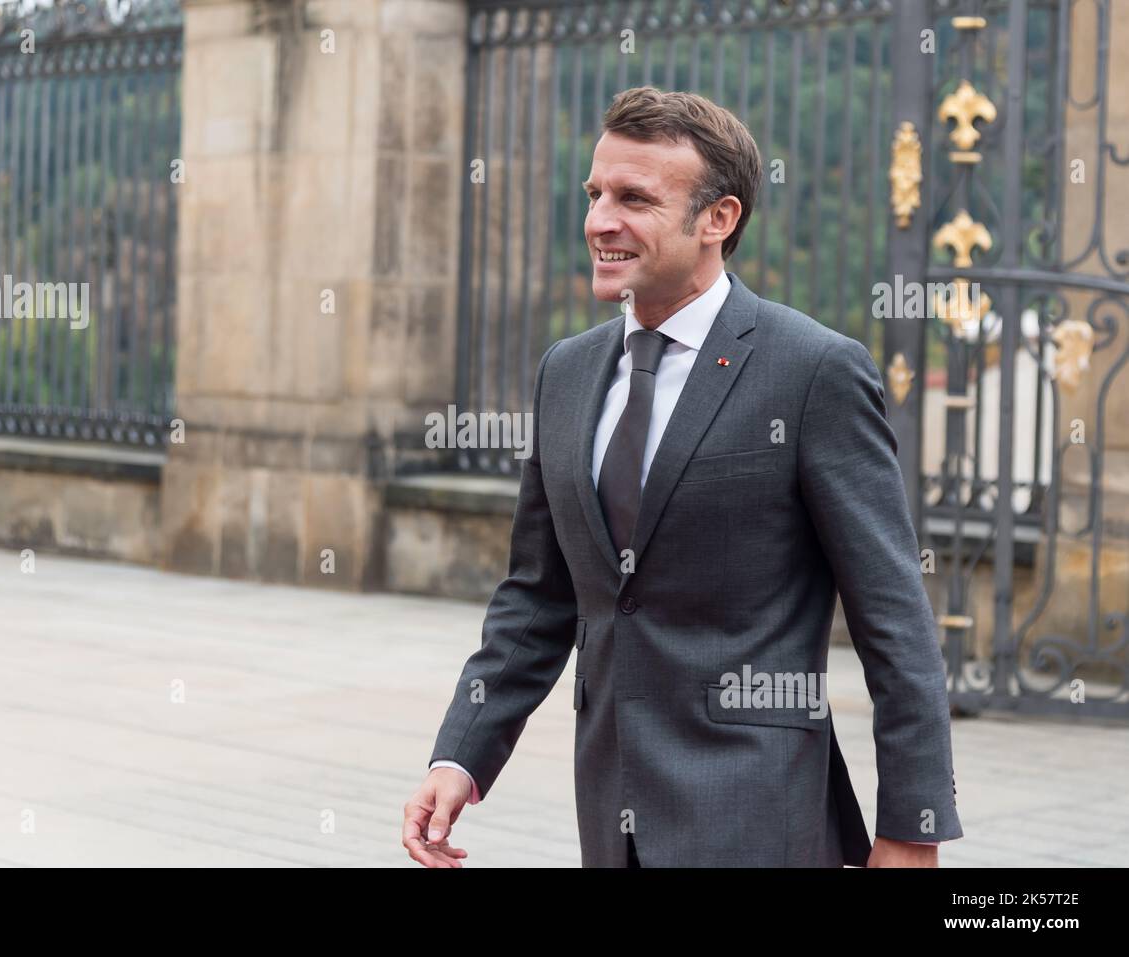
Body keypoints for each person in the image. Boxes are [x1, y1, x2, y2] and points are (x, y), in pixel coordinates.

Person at [402, 87, 961, 868]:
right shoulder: (565, 373)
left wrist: (913, 828)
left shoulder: (813, 372)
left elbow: (895, 622)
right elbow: (538, 596)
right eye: (596, 193)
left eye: (635, 198)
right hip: (609, 814)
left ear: (717, 220)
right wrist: (459, 755)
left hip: (761, 817)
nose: (600, 220)